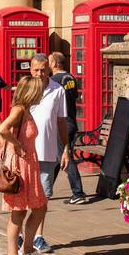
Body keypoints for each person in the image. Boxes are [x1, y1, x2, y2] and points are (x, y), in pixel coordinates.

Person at [17, 54, 70, 255]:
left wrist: (66, 148)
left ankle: (38, 237)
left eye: (43, 69)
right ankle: (22, 237)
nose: (40, 73)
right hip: (24, 151)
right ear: (30, 69)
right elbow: (14, 118)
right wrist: (7, 144)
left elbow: (61, 122)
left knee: (43, 199)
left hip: (47, 152)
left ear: (49, 69)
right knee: (22, 197)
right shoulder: (26, 88)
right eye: (36, 69)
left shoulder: (58, 91)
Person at [0, 74, 47, 255]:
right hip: (20, 165)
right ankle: (11, 254)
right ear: (32, 92)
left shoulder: (27, 110)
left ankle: (27, 249)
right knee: (18, 212)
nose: (41, 93)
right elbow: (2, 129)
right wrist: (16, 144)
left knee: (40, 207)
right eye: (39, 90)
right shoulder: (18, 110)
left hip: (30, 165)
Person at [49, 51, 87, 204]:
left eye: (50, 62)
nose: (48, 64)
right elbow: (74, 98)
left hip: (61, 124)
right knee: (58, 158)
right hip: (71, 121)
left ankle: (78, 193)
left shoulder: (53, 80)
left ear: (55, 64)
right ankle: (46, 189)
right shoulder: (71, 78)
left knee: (66, 157)